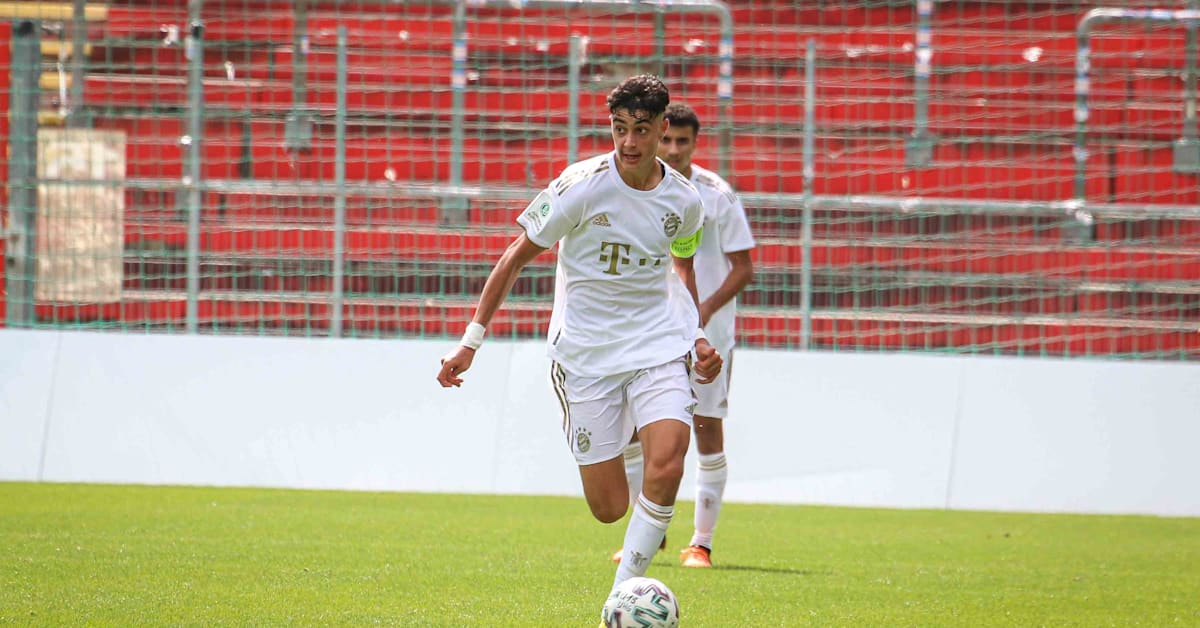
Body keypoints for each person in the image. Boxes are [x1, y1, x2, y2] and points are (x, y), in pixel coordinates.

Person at [435, 75, 723, 616]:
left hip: (656, 344)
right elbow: (515, 257)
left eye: (642, 130)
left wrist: (698, 336)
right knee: (610, 508)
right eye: (620, 129)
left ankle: (621, 600)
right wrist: (471, 341)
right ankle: (626, 450)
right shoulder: (581, 186)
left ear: (664, 129)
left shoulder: (684, 203)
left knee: (669, 462)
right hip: (585, 356)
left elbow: (680, 267)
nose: (630, 142)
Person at [612, 102, 756, 569]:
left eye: (682, 142)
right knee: (636, 430)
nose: (673, 149)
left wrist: (702, 313)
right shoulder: (635, 186)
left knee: (707, 430)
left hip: (707, 335)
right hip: (652, 331)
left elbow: (744, 267)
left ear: (694, 142)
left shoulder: (716, 194)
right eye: (668, 141)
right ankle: (648, 537)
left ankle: (702, 542)